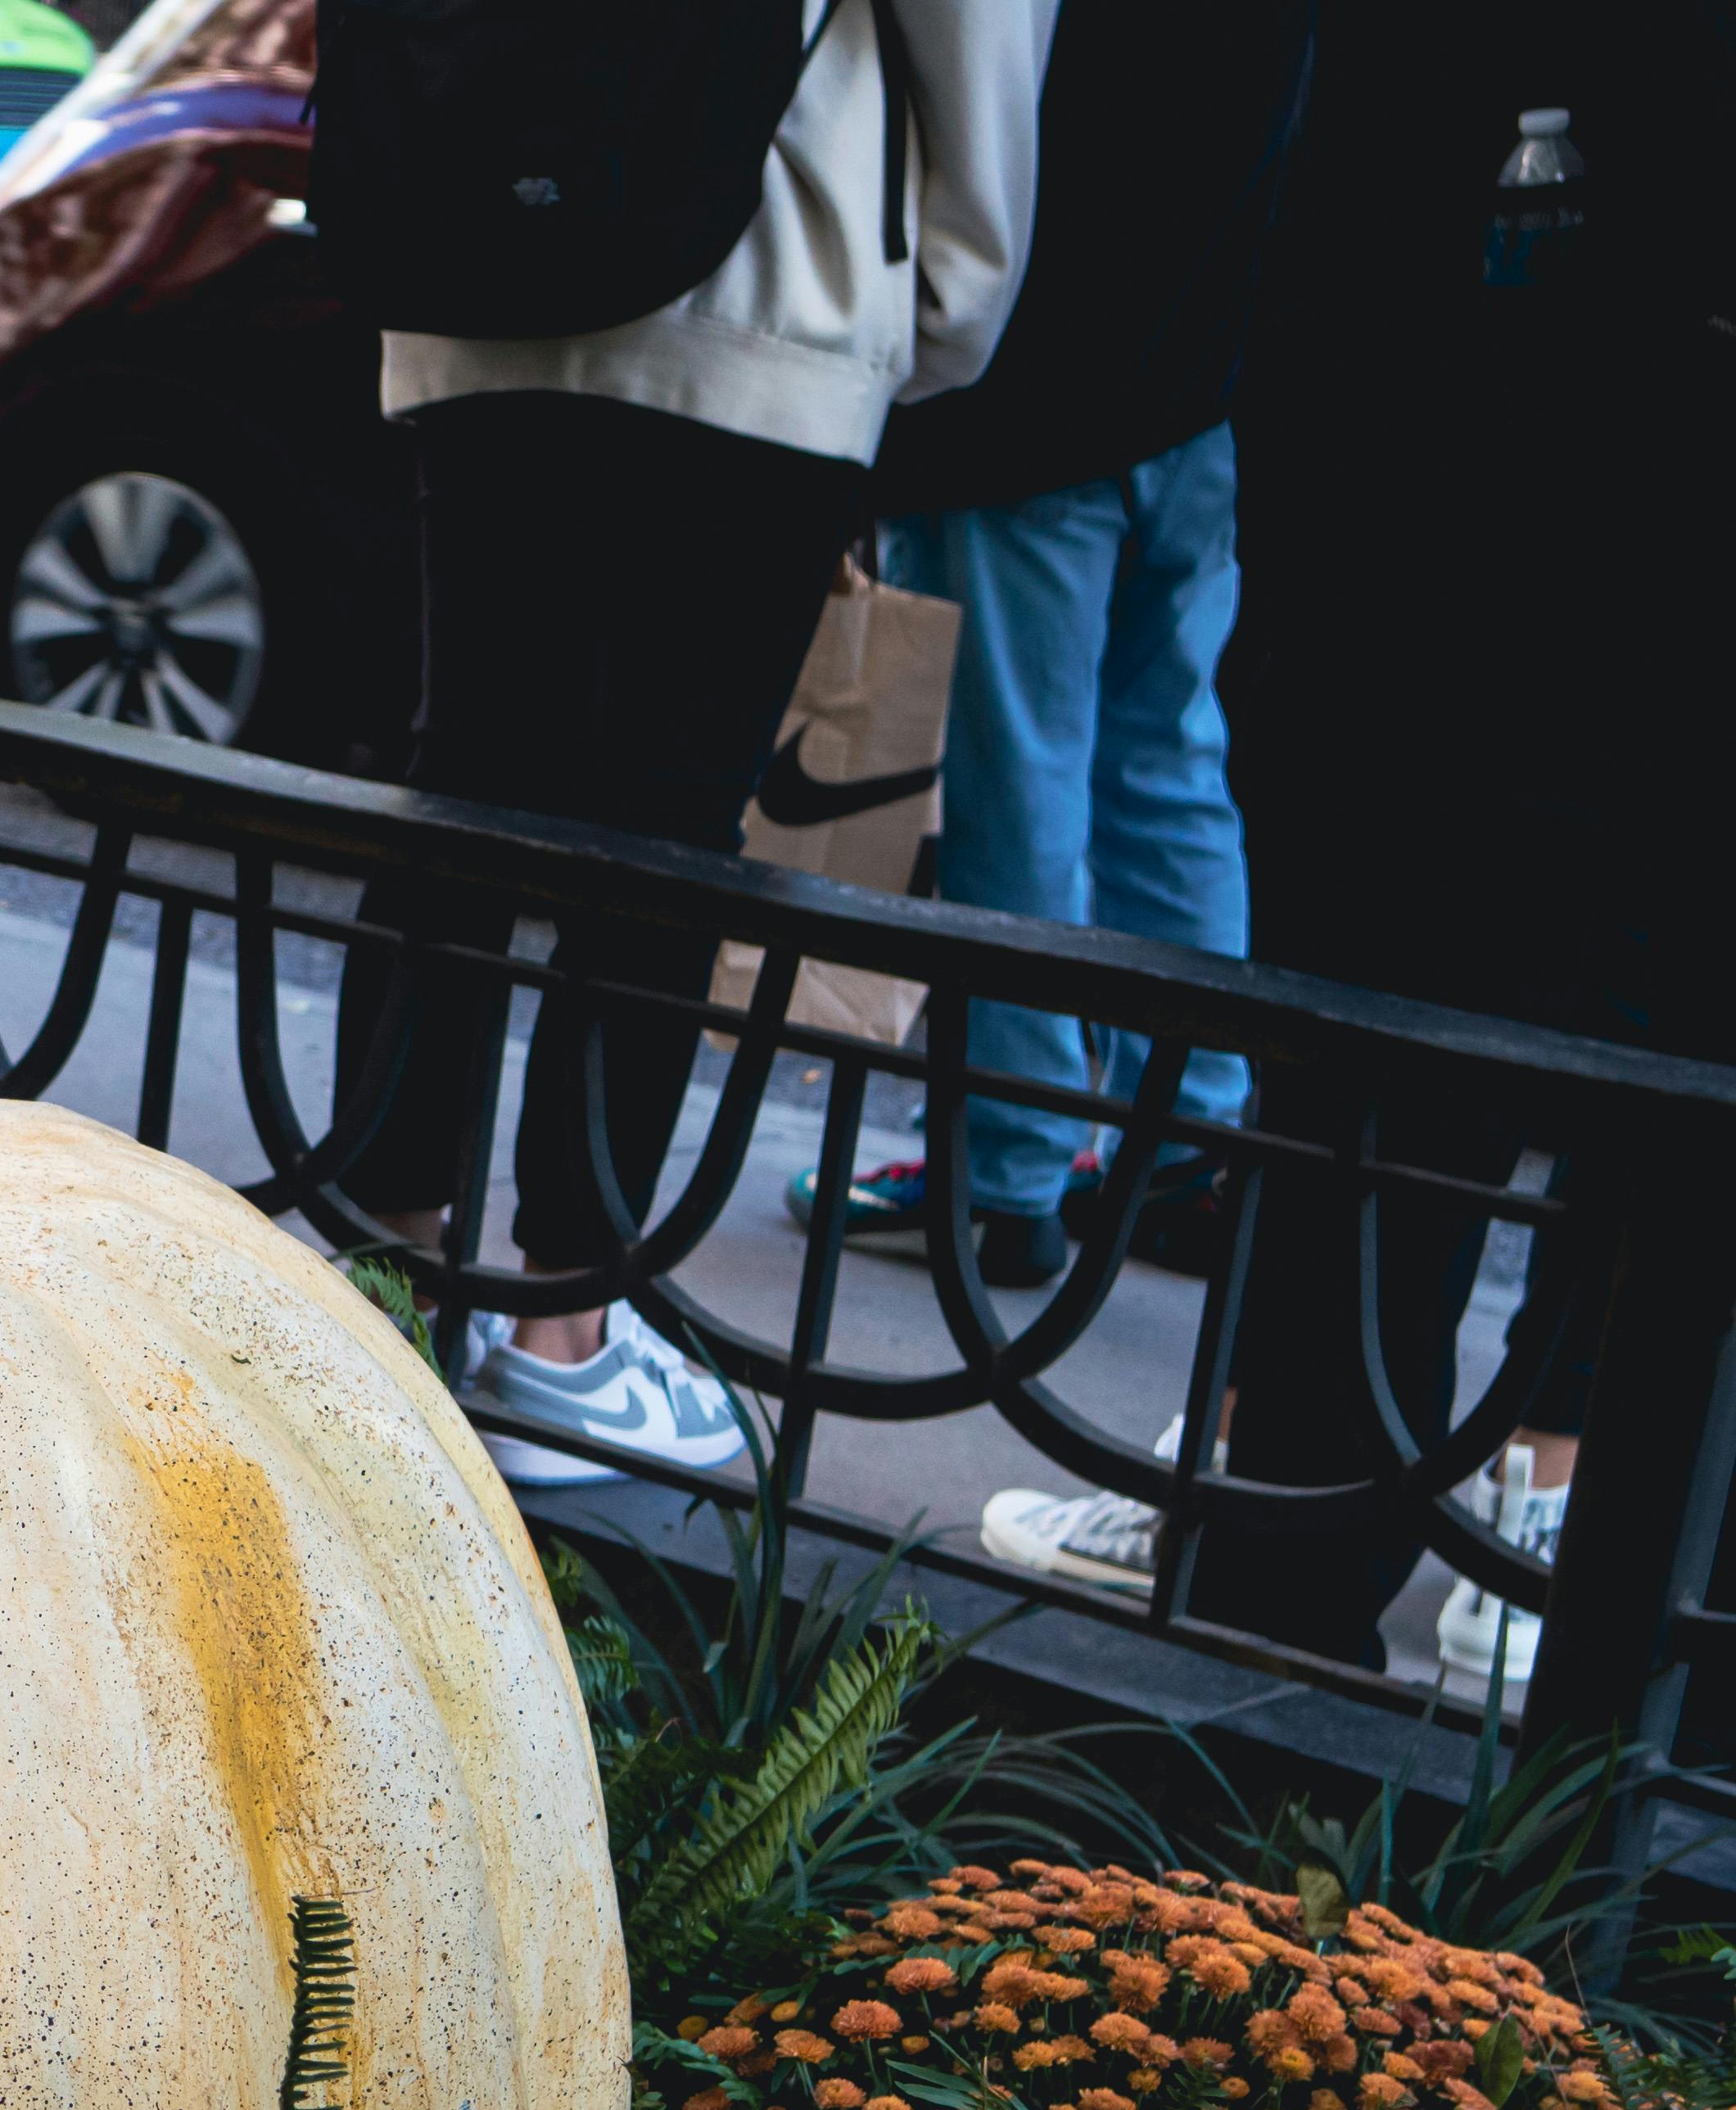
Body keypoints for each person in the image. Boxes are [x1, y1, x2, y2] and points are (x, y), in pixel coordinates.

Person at [988, 0, 1734, 1688]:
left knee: (1508, 1045)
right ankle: (1345, 1511)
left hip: (1513, 458)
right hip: (1443, 456)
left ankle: (1455, 1517)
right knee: (1425, 1045)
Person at [330, 0, 1061, 1485]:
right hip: (765, 277)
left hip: (478, 260)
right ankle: (565, 1335)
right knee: (662, 828)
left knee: (462, 776)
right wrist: (947, 301)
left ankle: (380, 1284)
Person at [797, 0, 1316, 1294]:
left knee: (1010, 792)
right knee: (1170, 763)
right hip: (1202, 391)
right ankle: (1185, 1141)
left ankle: (1006, 1173)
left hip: (1026, 401)